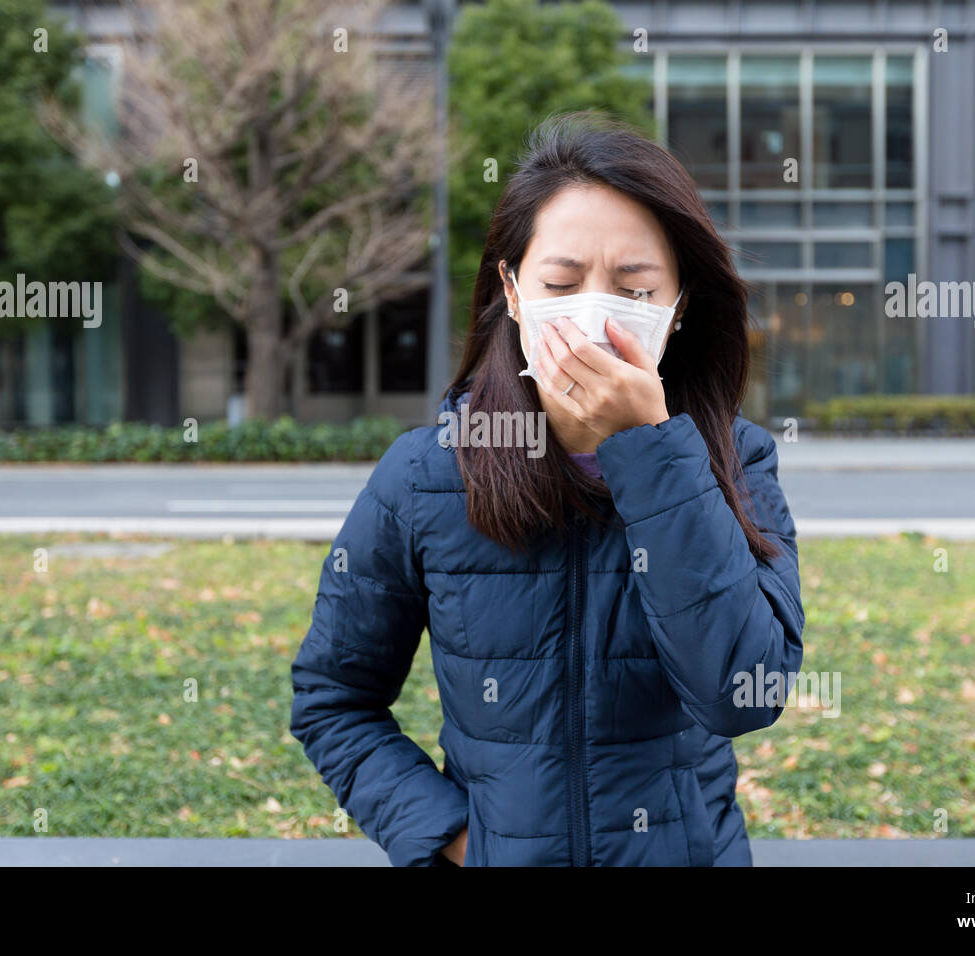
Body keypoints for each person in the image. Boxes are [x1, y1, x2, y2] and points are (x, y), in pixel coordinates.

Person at [290, 110, 805, 867]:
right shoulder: (428, 473)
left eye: (634, 289)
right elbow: (333, 697)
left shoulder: (735, 460)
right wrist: (456, 839)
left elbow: (744, 695)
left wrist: (651, 454)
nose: (594, 315)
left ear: (680, 303)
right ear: (513, 288)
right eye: (562, 283)